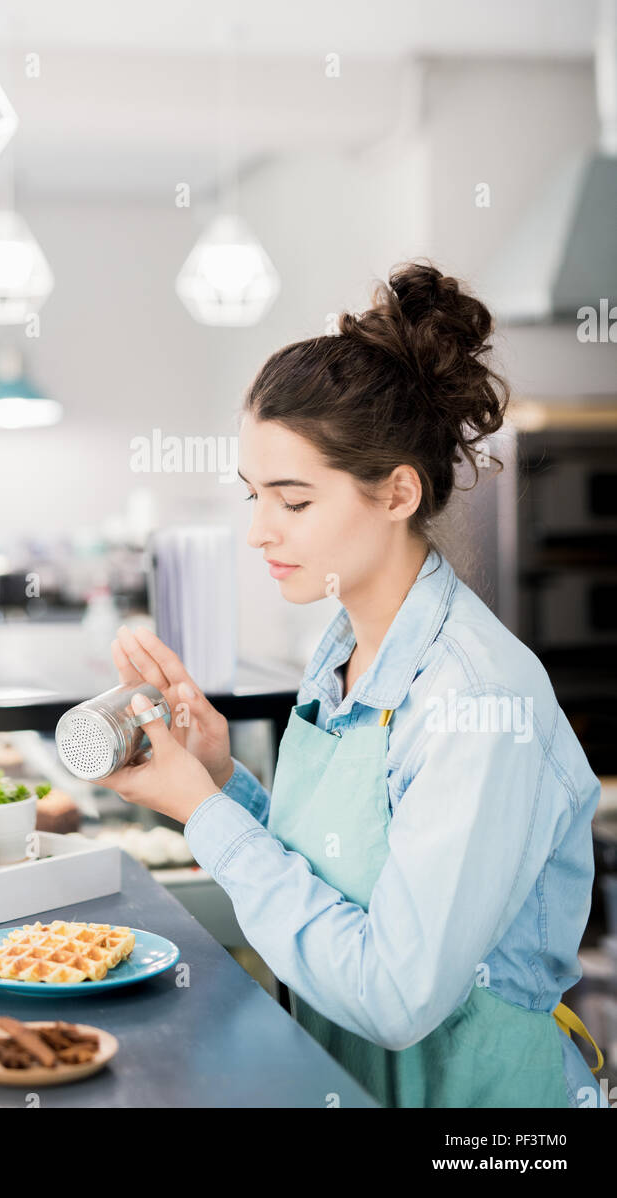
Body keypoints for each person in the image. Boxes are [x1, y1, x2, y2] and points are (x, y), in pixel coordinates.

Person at [96, 262, 605, 1109]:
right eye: (254, 496)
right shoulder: (343, 648)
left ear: (399, 491)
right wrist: (221, 775)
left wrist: (205, 814)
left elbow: (395, 994)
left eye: (293, 502)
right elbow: (342, 886)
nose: (259, 532)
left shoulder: (477, 700)